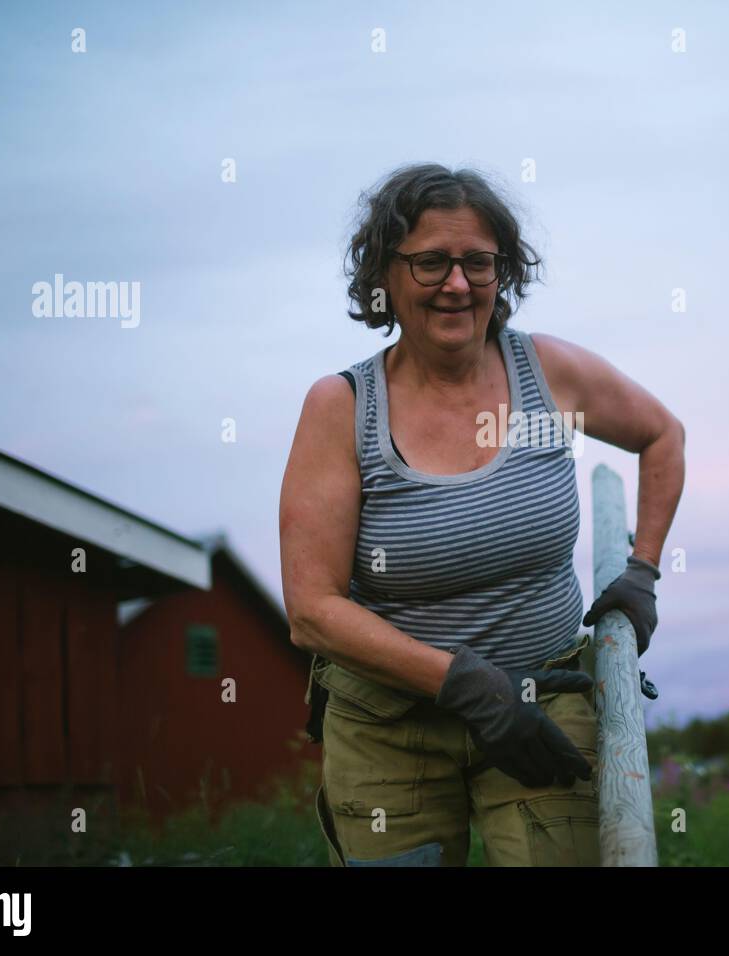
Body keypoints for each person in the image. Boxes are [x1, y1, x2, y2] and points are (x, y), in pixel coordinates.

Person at [278, 163, 685, 866]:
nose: (458, 284)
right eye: (431, 261)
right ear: (385, 273)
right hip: (389, 726)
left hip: (543, 704)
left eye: (478, 262)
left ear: (504, 273)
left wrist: (642, 571)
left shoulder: (549, 375)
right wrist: (463, 684)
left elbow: (662, 435)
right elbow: (311, 609)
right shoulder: (341, 409)